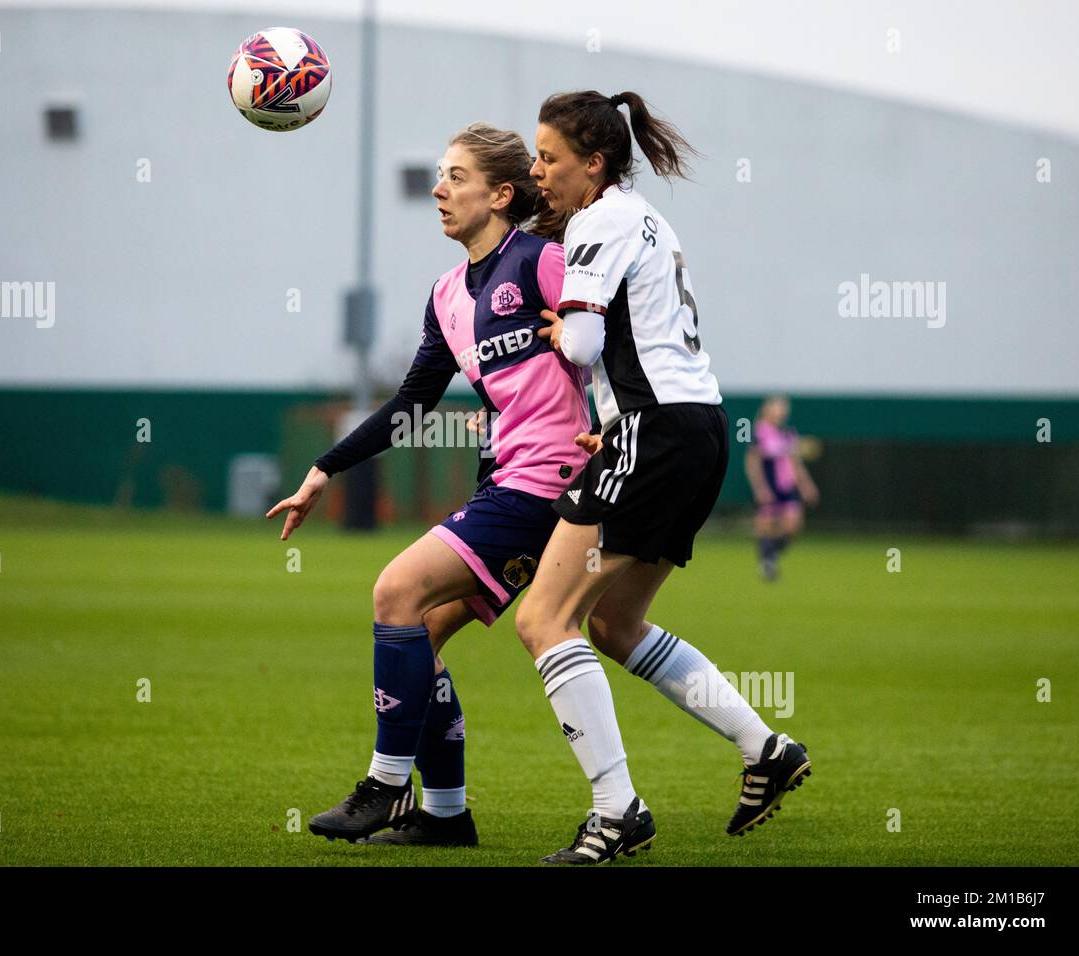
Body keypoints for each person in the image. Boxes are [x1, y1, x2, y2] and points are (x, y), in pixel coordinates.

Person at [266, 122, 591, 848]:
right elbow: (410, 404)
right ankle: (446, 816)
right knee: (422, 641)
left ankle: (385, 786)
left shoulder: (543, 261)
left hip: (549, 486)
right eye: (439, 176)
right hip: (504, 482)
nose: (438, 190)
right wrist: (325, 469)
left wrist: (625, 432)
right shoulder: (447, 294)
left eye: (456, 177)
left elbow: (610, 341)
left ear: (502, 194)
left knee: (394, 593)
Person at [523, 90, 812, 864]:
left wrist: (556, 328)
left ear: (594, 163)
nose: (536, 169)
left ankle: (617, 811)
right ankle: (766, 748)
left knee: (542, 621)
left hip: (657, 436)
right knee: (614, 626)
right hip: (694, 429)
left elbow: (583, 342)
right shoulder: (646, 217)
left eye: (548, 157)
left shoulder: (602, 219)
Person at [745, 395, 819, 580]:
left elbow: (795, 463)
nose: (781, 413)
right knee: (766, 525)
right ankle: (767, 563)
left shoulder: (788, 433)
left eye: (783, 410)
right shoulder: (760, 431)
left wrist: (806, 486)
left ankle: (771, 556)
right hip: (769, 486)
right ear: (768, 410)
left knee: (793, 525)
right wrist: (760, 488)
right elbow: (752, 461)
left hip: (787, 486)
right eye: (777, 409)